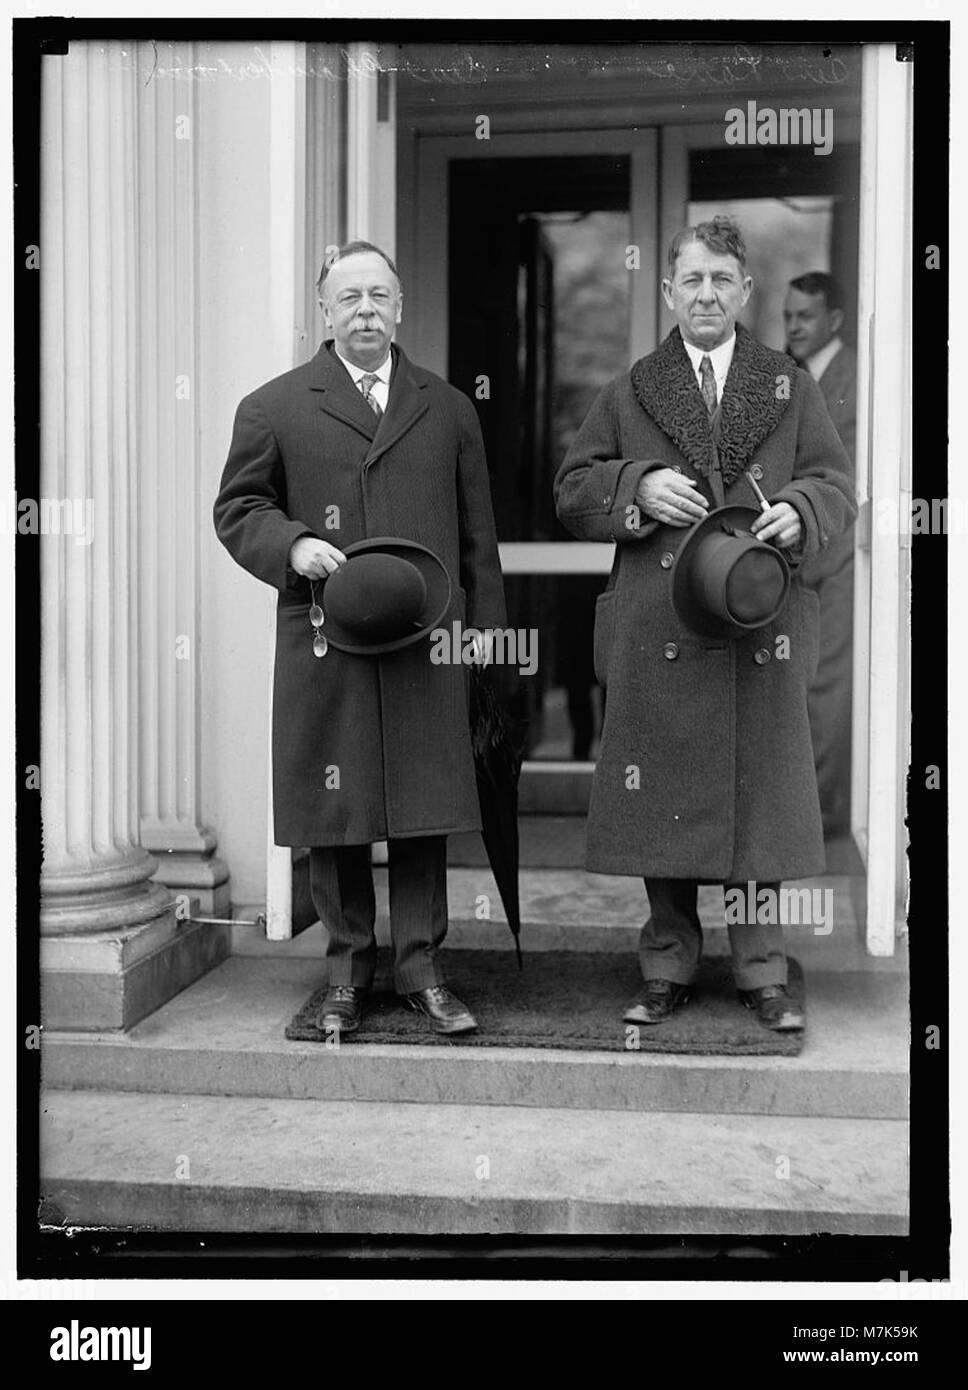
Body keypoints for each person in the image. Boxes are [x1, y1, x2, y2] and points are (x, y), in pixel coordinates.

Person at [554, 216, 856, 1032]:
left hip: (758, 622)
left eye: (722, 280)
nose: (706, 294)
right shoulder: (630, 389)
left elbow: (836, 483)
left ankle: (762, 971)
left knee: (758, 800)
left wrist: (800, 508)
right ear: (668, 291)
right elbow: (572, 489)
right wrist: (636, 486)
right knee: (664, 801)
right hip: (663, 627)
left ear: (745, 291)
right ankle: (667, 965)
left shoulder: (790, 384)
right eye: (691, 280)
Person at [214, 241, 506, 1037]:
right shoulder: (273, 406)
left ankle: (421, 969)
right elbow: (238, 510)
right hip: (325, 638)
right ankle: (346, 973)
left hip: (425, 642)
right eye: (350, 299)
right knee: (335, 807)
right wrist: (294, 545)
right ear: (326, 312)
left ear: (401, 306)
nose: (366, 311)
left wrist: (481, 642)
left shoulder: (446, 408)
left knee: (422, 806)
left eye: (379, 296)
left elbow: (480, 540)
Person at [783, 272, 858, 835]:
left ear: (833, 319)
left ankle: (821, 814)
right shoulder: (788, 378)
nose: (793, 327)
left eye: (804, 317)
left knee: (828, 680)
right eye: (787, 317)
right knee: (796, 679)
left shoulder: (859, 375)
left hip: (837, 553)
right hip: (791, 552)